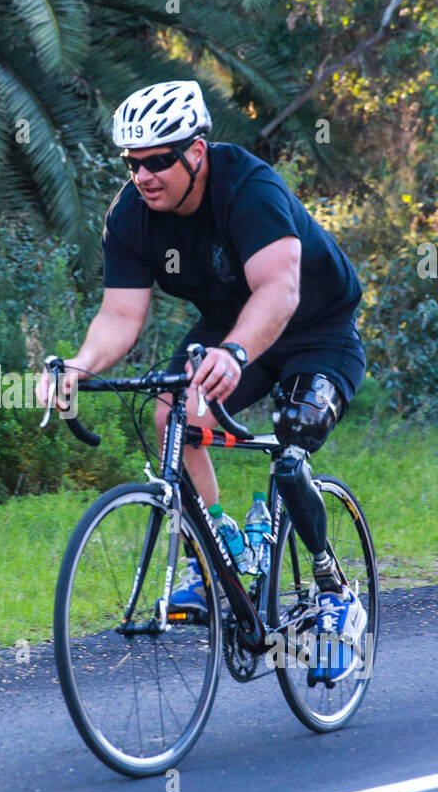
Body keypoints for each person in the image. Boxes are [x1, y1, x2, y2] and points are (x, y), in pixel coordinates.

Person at [35, 80, 367, 684]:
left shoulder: (249, 187)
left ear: (196, 150)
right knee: (172, 416)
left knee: (294, 438)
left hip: (314, 327)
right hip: (230, 330)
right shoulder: (133, 215)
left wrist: (236, 352)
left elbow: (279, 290)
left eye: (158, 160)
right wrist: (79, 366)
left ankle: (334, 591)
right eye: (132, 163)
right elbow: (118, 317)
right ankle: (216, 557)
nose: (144, 176)